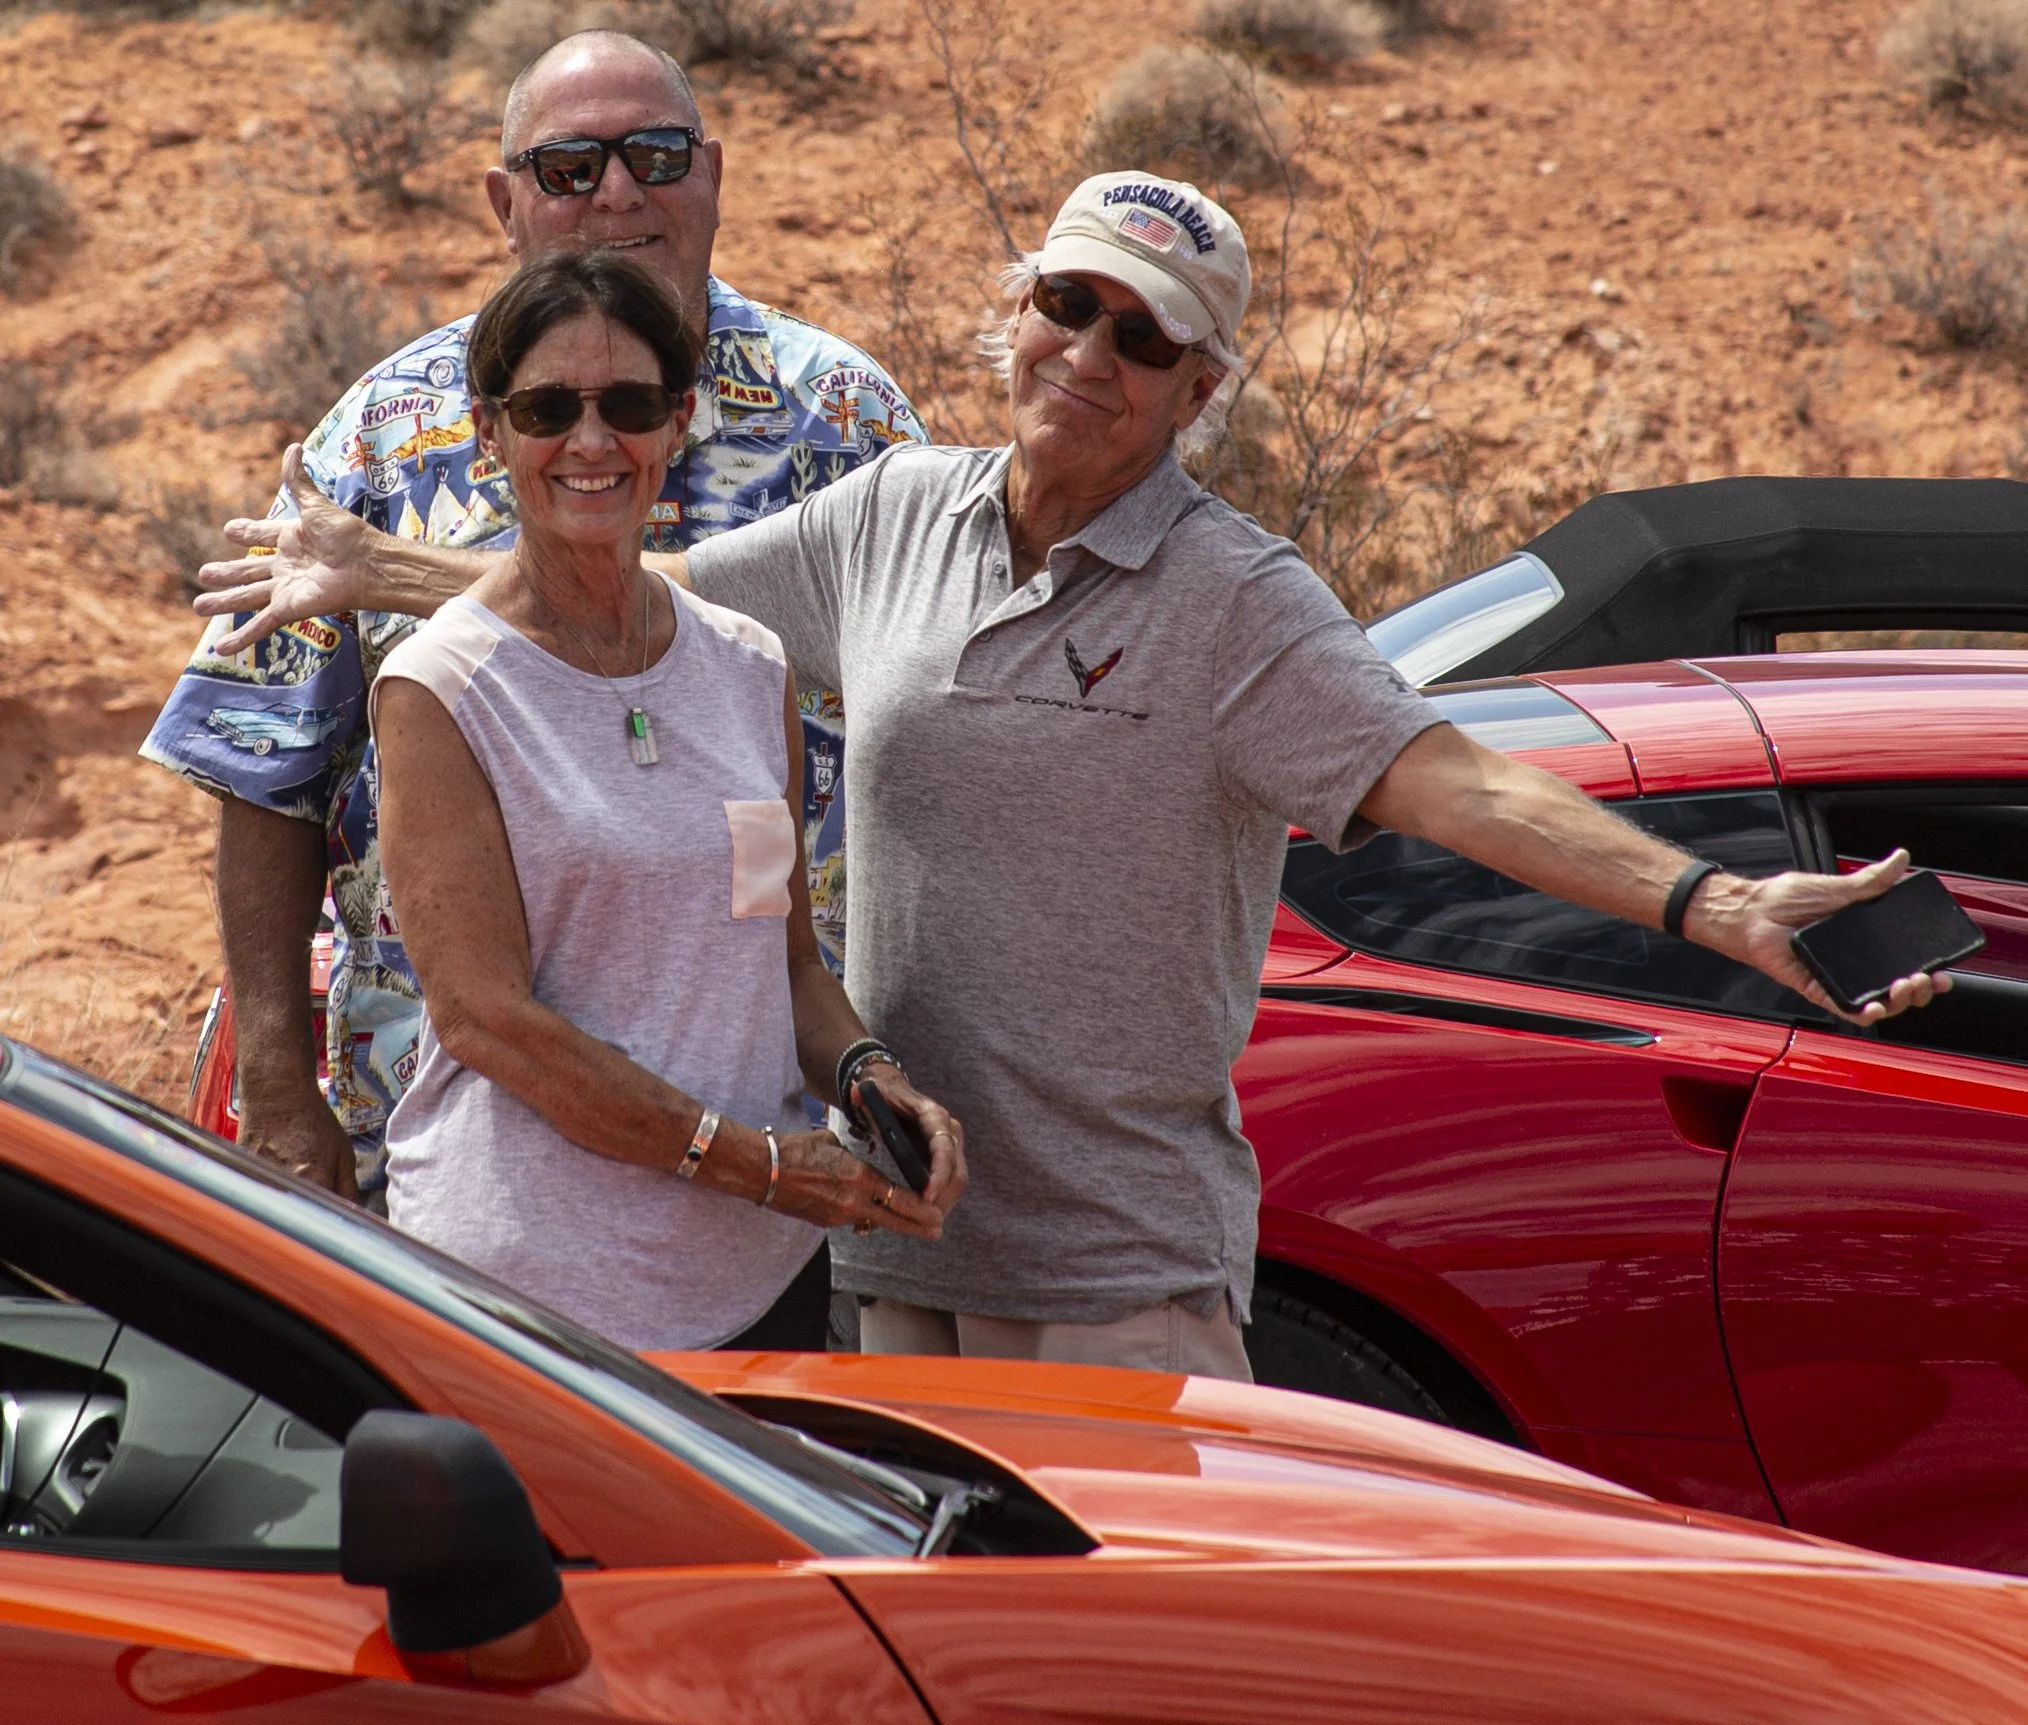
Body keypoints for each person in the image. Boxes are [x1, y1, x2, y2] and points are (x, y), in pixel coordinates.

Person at [191, 171, 1945, 1382]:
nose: (1088, 357)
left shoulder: (1237, 604)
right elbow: (609, 593)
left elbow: (1448, 781)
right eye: (1068, 305)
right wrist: (377, 575)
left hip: (1115, 1279)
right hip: (887, 1257)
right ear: (1011, 309)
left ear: (1201, 386)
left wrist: (1715, 897)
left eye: (1143, 337)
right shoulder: (889, 521)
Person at [142, 29, 923, 1207]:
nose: (619, 190)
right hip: (459, 1138)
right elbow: (265, 771)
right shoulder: (383, 436)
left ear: (712, 174)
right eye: (570, 167)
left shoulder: (848, 427)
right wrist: (278, 1094)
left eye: (657, 155)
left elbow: (939, 717)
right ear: (506, 203)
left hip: (784, 1154)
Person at [371, 248, 962, 1351]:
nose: (591, 442)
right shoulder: (440, 689)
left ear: (678, 421)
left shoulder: (748, 665)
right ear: (490, 432)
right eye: (549, 407)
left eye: (630, 404)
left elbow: (781, 965)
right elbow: (487, 1021)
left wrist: (872, 1075)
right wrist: (762, 1167)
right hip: (535, 1306)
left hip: (756, 1284)